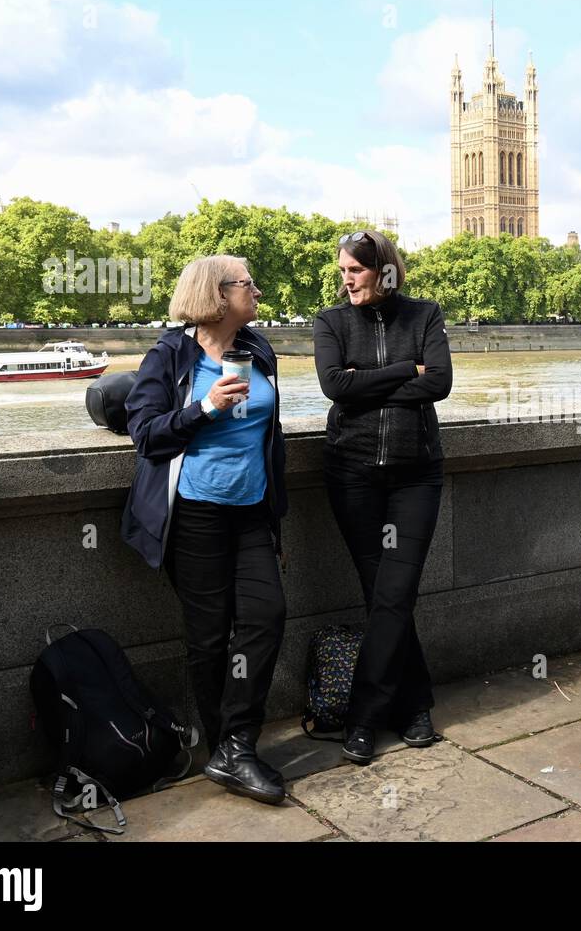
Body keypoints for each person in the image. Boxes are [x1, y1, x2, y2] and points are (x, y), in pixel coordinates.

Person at [122, 254, 289, 804]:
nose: (258, 292)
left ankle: (235, 747)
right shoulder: (169, 354)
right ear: (217, 296)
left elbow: (270, 431)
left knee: (267, 616)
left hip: (251, 511)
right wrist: (206, 407)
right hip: (193, 514)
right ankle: (228, 749)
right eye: (248, 284)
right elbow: (145, 434)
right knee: (210, 639)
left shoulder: (258, 348)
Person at [314, 229, 452, 765]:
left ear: (384, 272)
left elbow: (439, 383)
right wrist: (401, 371)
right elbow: (335, 387)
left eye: (355, 270)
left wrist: (364, 382)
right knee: (384, 596)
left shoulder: (425, 315)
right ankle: (415, 704)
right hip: (352, 474)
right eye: (342, 270)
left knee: (394, 593)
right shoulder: (331, 321)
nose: (345, 279)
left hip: (415, 475)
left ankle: (366, 715)